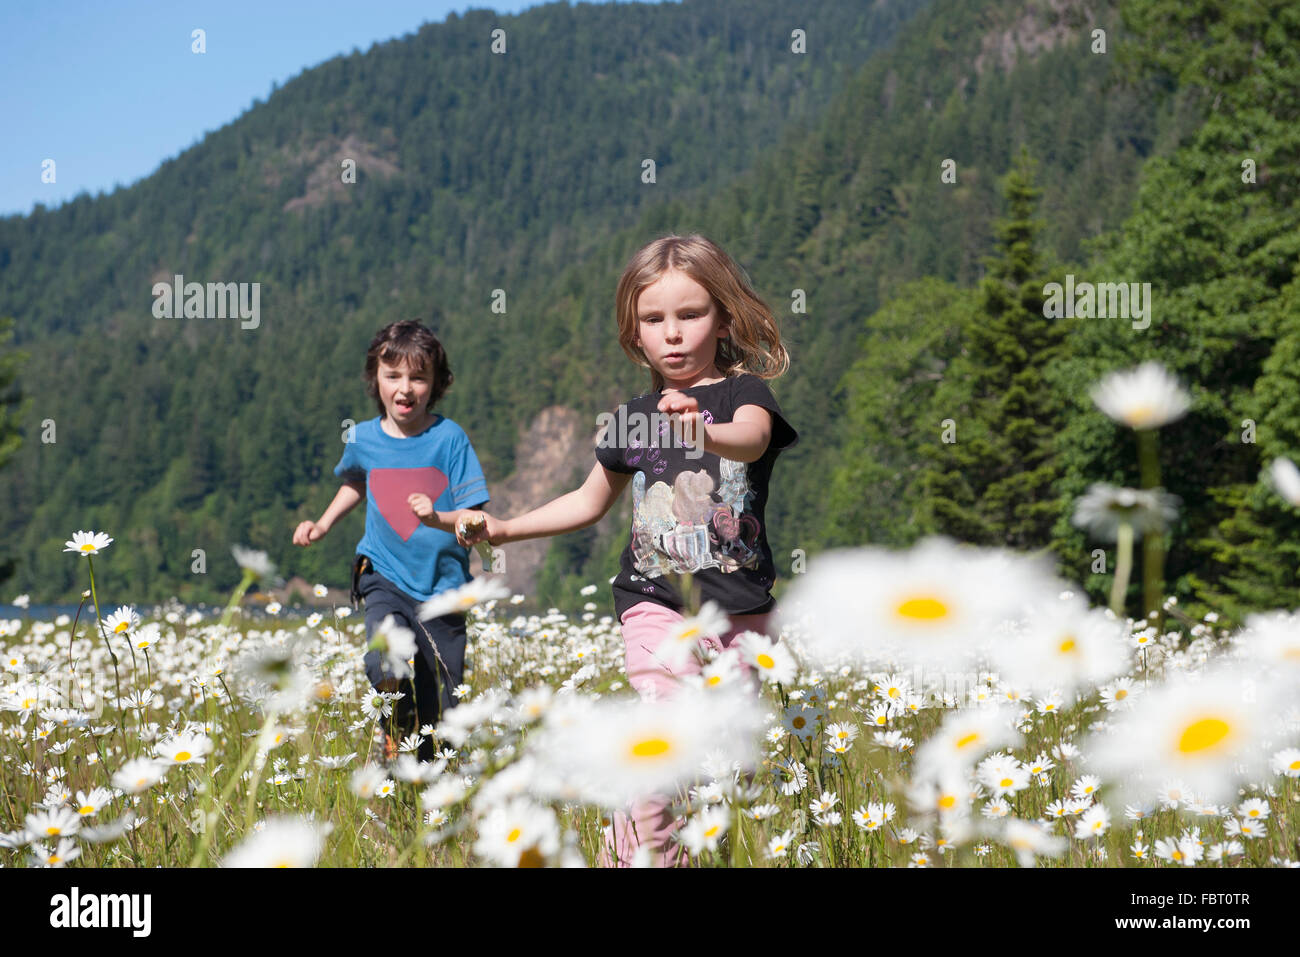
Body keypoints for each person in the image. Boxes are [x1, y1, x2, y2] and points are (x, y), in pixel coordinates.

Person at [456, 234, 798, 865]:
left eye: (690, 315)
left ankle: (674, 846)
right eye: (653, 319)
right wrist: (503, 529)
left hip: (741, 616)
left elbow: (750, 442)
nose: (672, 333)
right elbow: (587, 502)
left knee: (729, 765)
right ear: (633, 332)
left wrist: (705, 431)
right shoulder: (629, 420)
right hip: (654, 607)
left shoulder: (743, 397)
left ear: (723, 318)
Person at [292, 320, 490, 763]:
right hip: (383, 576)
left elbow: (476, 516)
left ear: (436, 384)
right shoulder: (362, 438)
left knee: (442, 705)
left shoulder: (450, 439)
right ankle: (393, 730)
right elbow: (357, 482)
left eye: (418, 377)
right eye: (393, 376)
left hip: (443, 588)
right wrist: (323, 524)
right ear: (374, 379)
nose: (405, 388)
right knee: (386, 660)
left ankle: (426, 779)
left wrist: (438, 517)